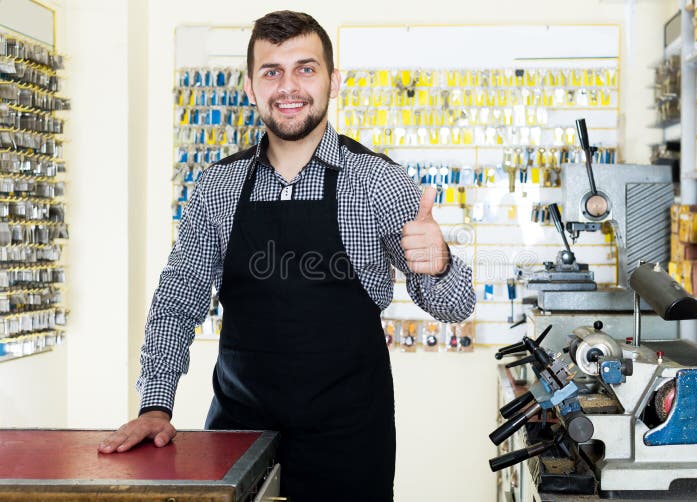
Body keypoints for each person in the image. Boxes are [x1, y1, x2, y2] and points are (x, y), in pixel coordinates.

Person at [98, 10, 475, 501]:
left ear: (332, 81)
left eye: (305, 68)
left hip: (350, 443)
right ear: (251, 88)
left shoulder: (378, 181)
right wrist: (156, 405)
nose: (288, 86)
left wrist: (440, 261)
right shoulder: (218, 186)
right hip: (240, 437)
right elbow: (178, 298)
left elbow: (456, 306)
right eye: (271, 71)